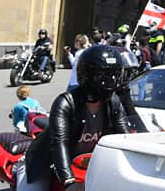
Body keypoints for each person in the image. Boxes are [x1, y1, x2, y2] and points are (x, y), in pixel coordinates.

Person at [18, 45, 128, 191]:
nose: (111, 82)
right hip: (45, 164)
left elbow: (124, 138)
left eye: (114, 75)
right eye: (105, 76)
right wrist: (69, 181)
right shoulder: (66, 102)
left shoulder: (113, 103)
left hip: (87, 165)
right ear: (88, 75)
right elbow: (59, 142)